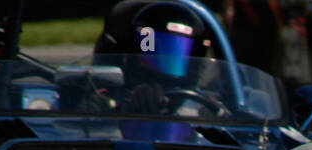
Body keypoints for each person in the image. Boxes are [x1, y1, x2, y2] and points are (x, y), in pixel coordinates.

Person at [93, 1, 224, 116]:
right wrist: (124, 111)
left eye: (176, 54)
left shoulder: (205, 109)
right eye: (154, 54)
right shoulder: (109, 102)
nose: (166, 63)